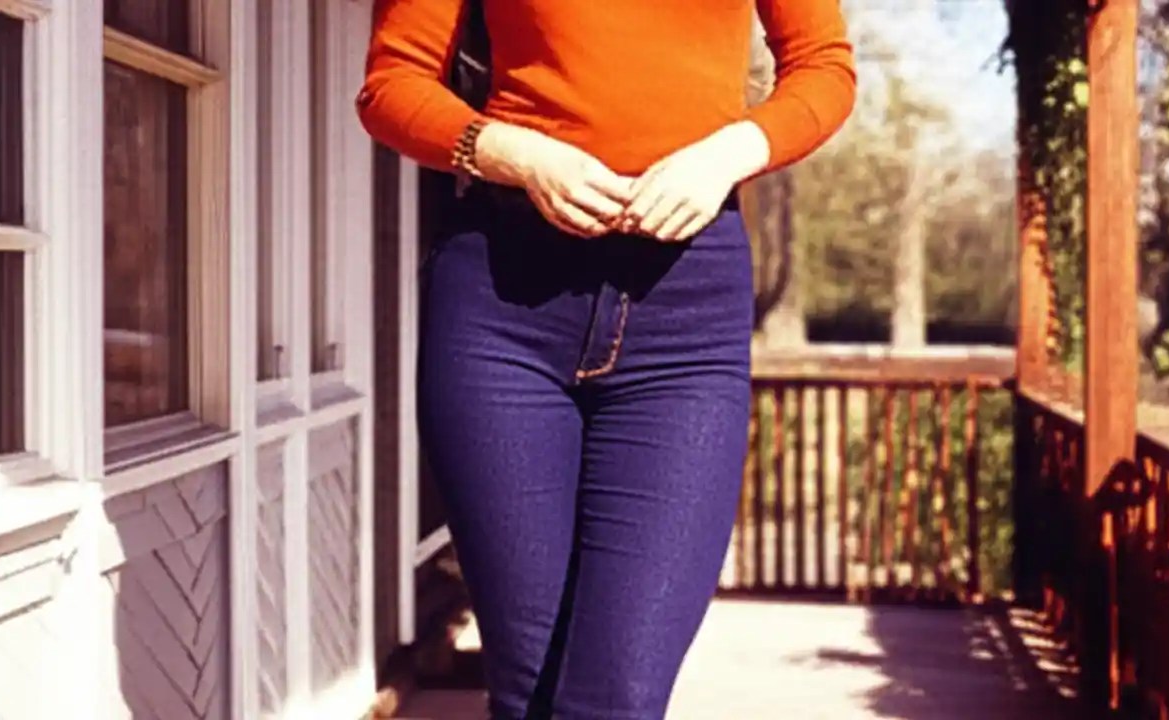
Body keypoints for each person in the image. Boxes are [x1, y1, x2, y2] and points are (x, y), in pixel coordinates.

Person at [358, 1, 855, 717]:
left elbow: (823, 67)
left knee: (617, 695)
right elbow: (392, 84)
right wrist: (516, 153)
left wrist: (727, 153)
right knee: (528, 691)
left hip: (685, 323)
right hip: (504, 307)